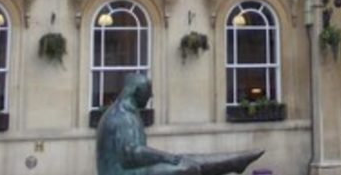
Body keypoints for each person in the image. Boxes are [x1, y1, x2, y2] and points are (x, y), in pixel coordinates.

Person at [96, 72, 265, 175]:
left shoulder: (125, 112)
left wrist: (171, 158)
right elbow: (131, 152)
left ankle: (234, 162)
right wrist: (167, 157)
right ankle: (233, 163)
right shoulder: (122, 116)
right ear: (138, 92)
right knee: (186, 169)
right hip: (122, 172)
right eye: (148, 93)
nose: (151, 96)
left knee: (185, 159)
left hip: (131, 169)